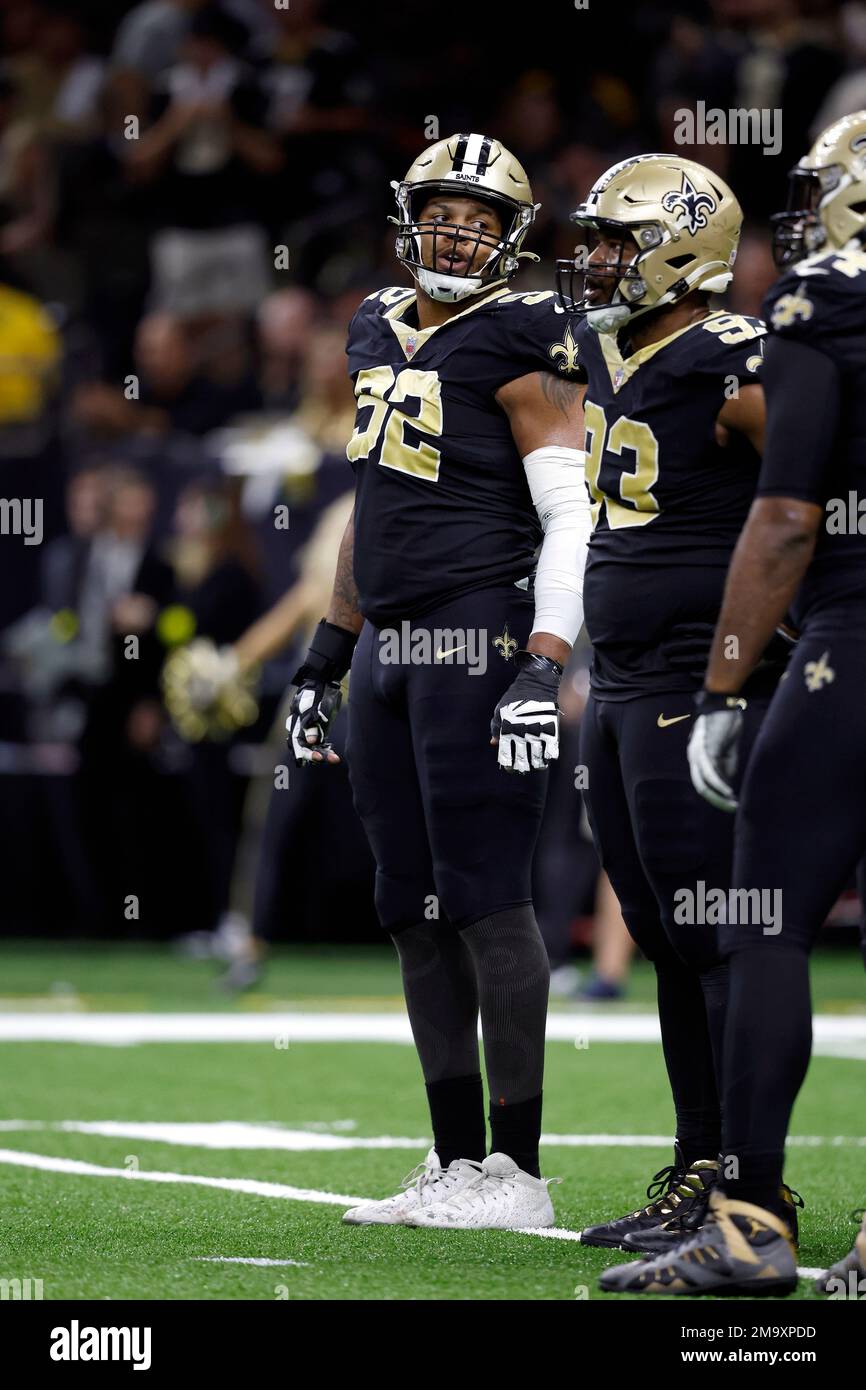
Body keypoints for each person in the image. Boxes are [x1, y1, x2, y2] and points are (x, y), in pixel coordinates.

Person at [287, 133, 590, 1229]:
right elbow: (373, 514)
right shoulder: (376, 320)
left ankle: (517, 1170)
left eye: (477, 216)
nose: (454, 232)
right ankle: (453, 1160)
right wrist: (324, 654)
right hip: (385, 646)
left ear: (508, 235)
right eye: (440, 211)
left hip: (477, 633)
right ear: (407, 216)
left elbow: (570, 513)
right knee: (410, 910)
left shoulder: (522, 330)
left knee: (485, 898)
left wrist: (540, 660)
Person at [604, 111, 866, 1297]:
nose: (801, 219)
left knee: (760, 921)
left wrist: (725, 683)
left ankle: (749, 1222)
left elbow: (783, 511)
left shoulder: (815, 307)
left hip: (838, 644)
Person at [553, 153, 795, 1255]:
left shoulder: (732, 356)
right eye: (594, 238)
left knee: (712, 932)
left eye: (618, 239)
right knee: (661, 932)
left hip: (699, 677)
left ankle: (746, 1185)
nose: (597, 257)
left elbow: (810, 485)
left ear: (683, 248)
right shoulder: (619, 348)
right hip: (623, 676)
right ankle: (698, 1164)